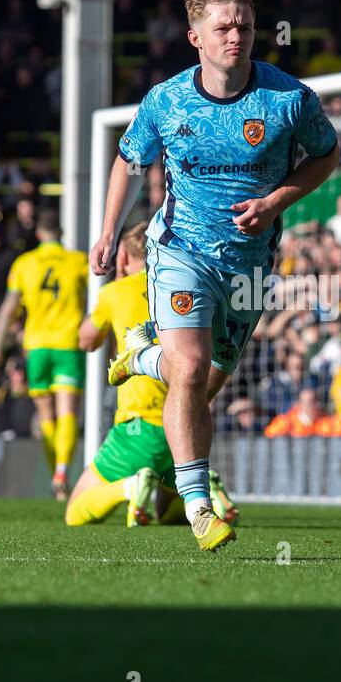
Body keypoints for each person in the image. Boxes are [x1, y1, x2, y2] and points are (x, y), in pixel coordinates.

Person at [92, 0, 338, 552]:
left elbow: (326, 156)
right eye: (224, 27)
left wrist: (277, 200)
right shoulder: (166, 100)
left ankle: (142, 354)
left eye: (245, 27)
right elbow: (130, 164)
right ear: (195, 37)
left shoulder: (289, 100)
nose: (237, 36)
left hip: (250, 266)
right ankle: (200, 508)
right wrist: (107, 232)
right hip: (180, 250)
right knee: (193, 365)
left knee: (204, 382)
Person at [68, 223, 238, 528]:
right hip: (185, 425)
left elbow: (86, 341)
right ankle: (208, 493)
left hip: (139, 428)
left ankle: (130, 486)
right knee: (167, 515)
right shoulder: (184, 289)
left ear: (123, 258)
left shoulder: (115, 292)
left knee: (75, 511)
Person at [0, 208, 88, 500]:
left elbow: (8, 309)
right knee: (68, 411)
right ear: (61, 233)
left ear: (39, 234)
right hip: (69, 343)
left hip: (37, 346)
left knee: (46, 414)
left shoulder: (25, 263)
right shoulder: (78, 261)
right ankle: (62, 471)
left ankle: (55, 476)